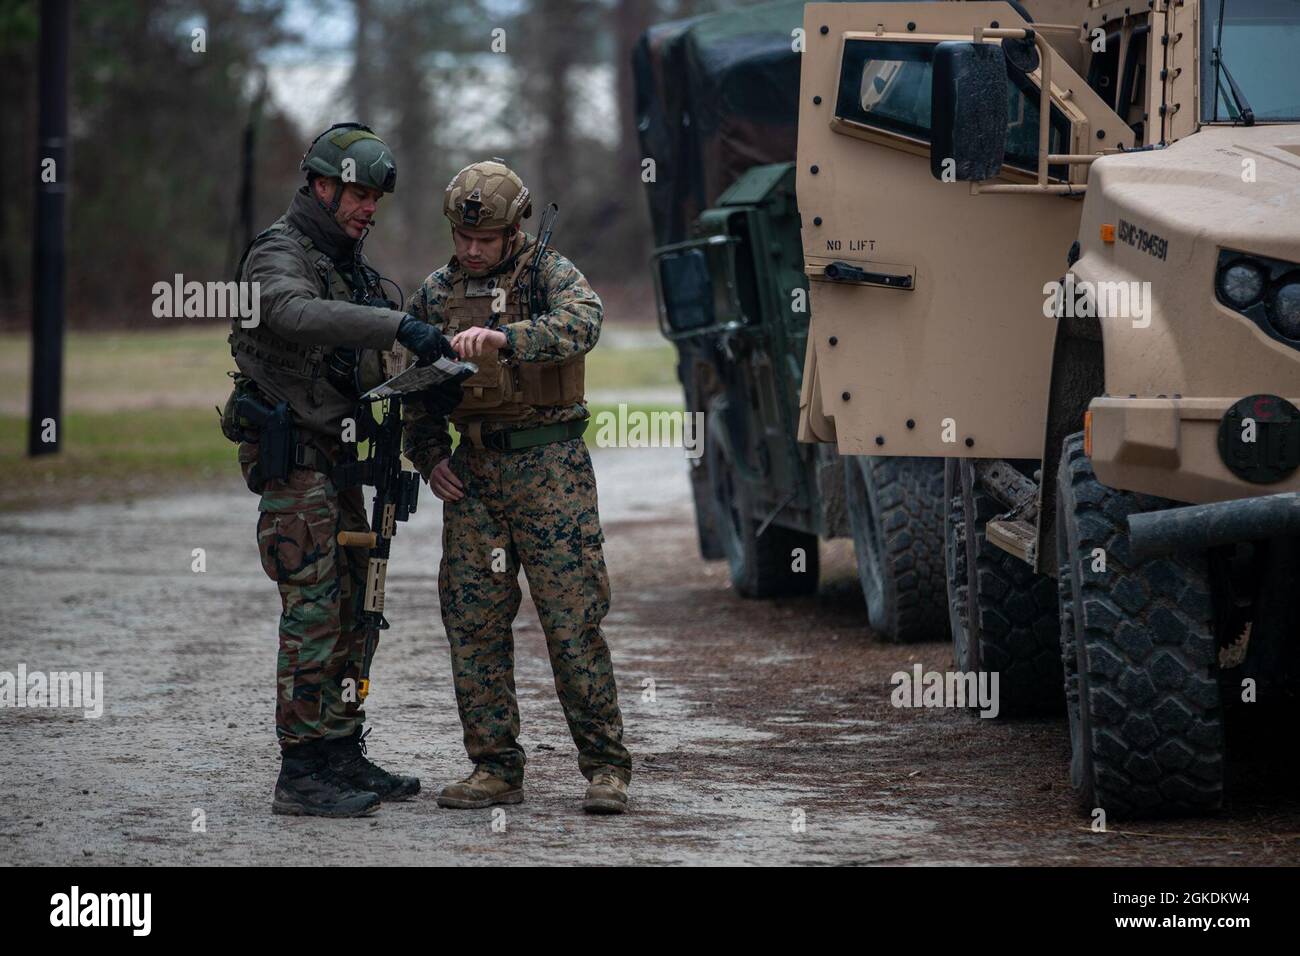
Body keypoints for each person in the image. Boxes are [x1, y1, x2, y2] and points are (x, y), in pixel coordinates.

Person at [226, 122, 456, 817]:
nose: (367, 210)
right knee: (314, 615)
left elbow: (358, 360)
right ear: (321, 186)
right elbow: (293, 314)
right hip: (295, 466)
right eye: (357, 195)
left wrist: (424, 377)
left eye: (373, 200)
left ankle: (340, 748)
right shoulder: (278, 254)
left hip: (342, 467)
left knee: (360, 609)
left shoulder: (348, 263)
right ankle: (301, 772)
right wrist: (393, 327)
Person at [402, 160, 633, 814]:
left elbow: (585, 321)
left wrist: (509, 339)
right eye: (463, 236)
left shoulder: (548, 274)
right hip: (472, 479)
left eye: (486, 237)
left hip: (549, 474)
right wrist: (426, 454)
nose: (473, 248)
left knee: (571, 620)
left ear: (514, 230)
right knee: (472, 622)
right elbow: (413, 384)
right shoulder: (436, 292)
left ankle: (607, 767)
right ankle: (495, 766)